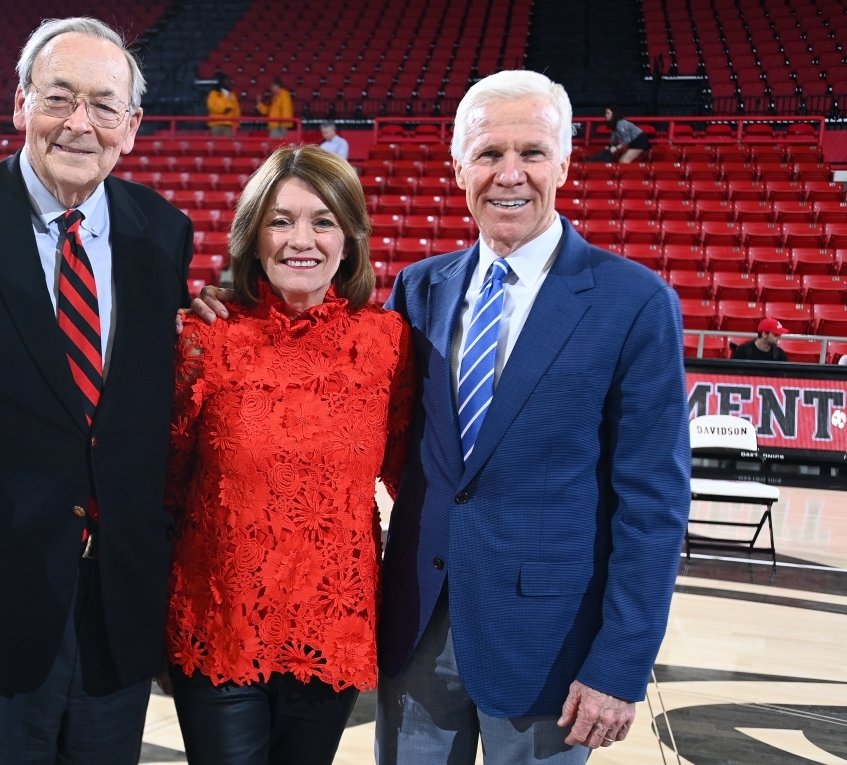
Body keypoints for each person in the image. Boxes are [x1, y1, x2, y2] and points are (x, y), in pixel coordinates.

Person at [193, 70, 689, 763]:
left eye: (532, 152)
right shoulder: (420, 288)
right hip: (416, 629)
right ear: (459, 169)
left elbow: (654, 505)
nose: (509, 173)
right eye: (488, 154)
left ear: (565, 163)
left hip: (547, 645)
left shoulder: (635, 302)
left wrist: (620, 664)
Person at [0, 16, 193, 765]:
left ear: (132, 126)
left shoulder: (164, 232)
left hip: (115, 608)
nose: (79, 123)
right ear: (22, 103)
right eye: (59, 98)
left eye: (103, 105)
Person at [166, 146, 414, 765]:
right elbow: (162, 484)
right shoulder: (204, 337)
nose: (301, 240)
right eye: (280, 221)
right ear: (252, 239)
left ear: (350, 239)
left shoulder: (388, 344)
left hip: (332, 627)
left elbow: (414, 478)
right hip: (221, 624)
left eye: (323, 221)